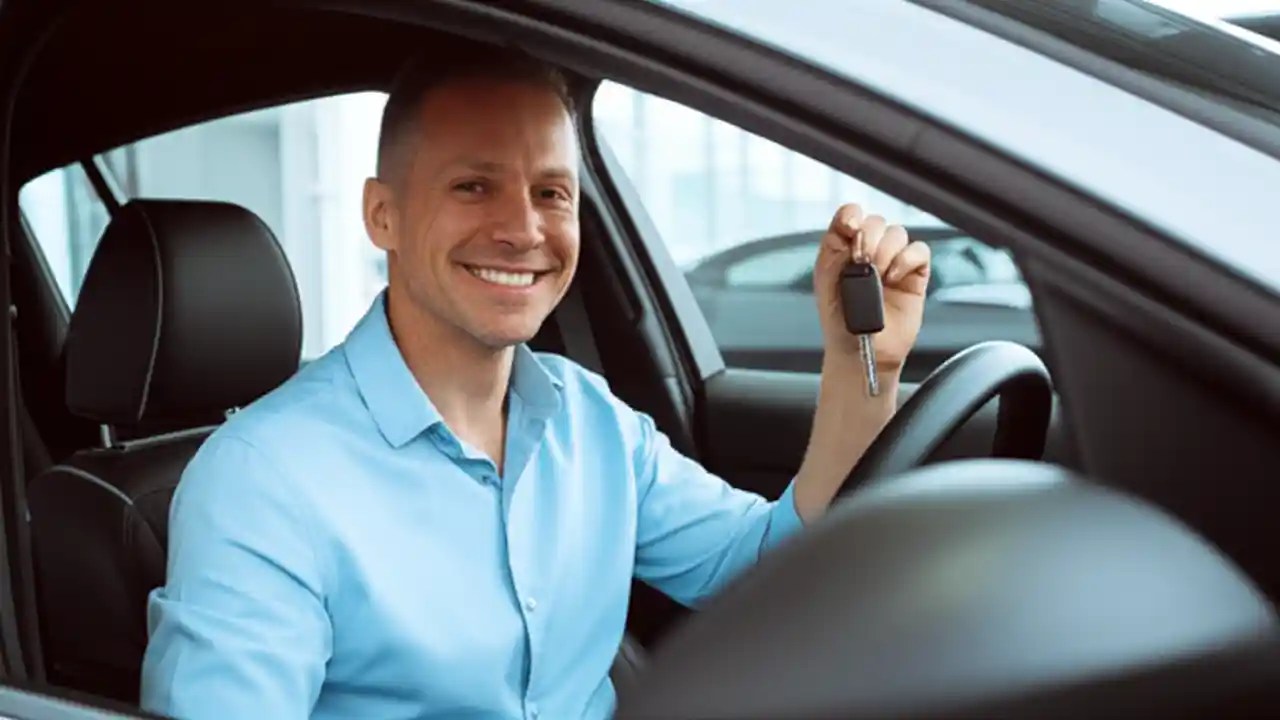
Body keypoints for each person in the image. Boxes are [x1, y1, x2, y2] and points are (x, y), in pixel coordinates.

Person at [140, 47, 931, 720]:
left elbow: (766, 564)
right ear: (382, 216)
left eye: (551, 192)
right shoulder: (263, 481)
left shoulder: (590, 420)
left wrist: (867, 366)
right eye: (473, 186)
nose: (523, 229)